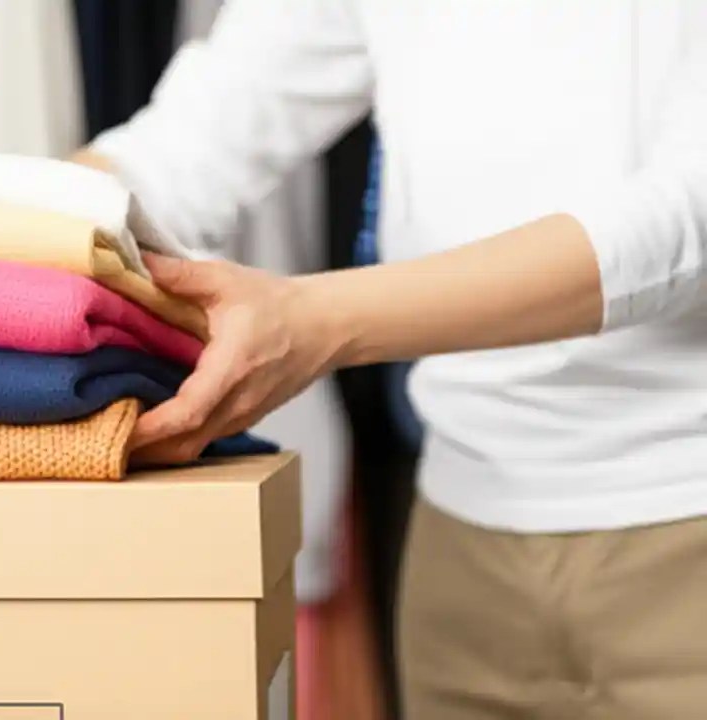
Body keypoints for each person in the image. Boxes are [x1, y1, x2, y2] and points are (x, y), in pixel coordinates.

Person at [75, 1, 707, 717]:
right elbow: (191, 144)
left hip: (685, 518)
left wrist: (322, 321)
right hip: (463, 553)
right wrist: (1, 227)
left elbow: (685, 219)